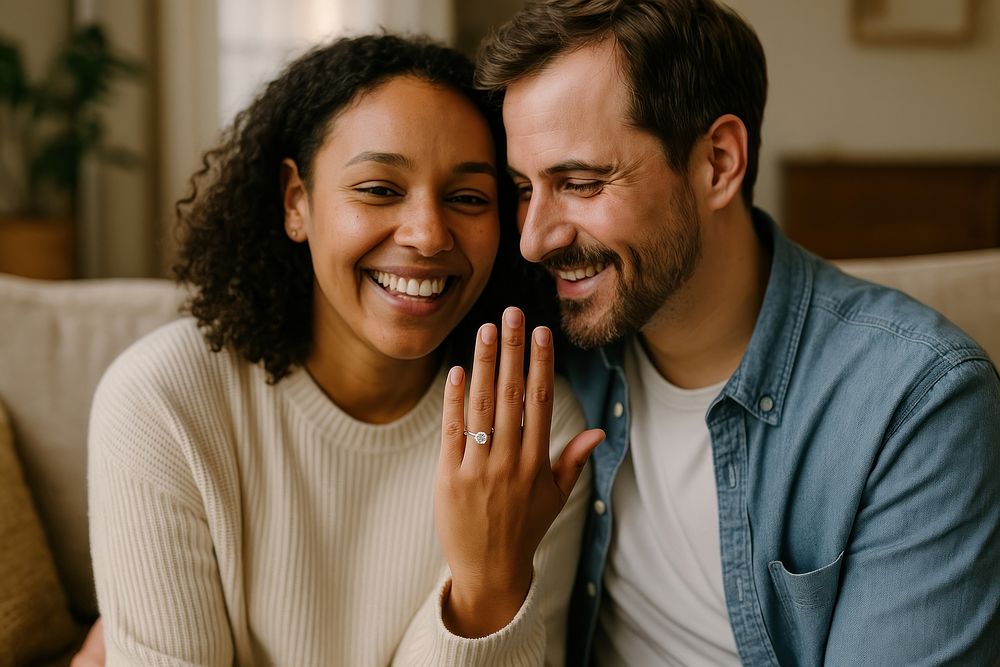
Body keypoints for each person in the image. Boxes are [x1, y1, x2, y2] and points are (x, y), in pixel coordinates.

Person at [475, 0, 1000, 665]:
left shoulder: (917, 401)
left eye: (579, 182)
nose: (533, 239)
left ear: (719, 162)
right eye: (524, 187)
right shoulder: (543, 337)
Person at [84, 34, 605, 666]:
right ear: (296, 201)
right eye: (380, 189)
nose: (427, 234)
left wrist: (487, 586)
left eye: (469, 198)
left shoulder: (533, 441)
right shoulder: (162, 403)